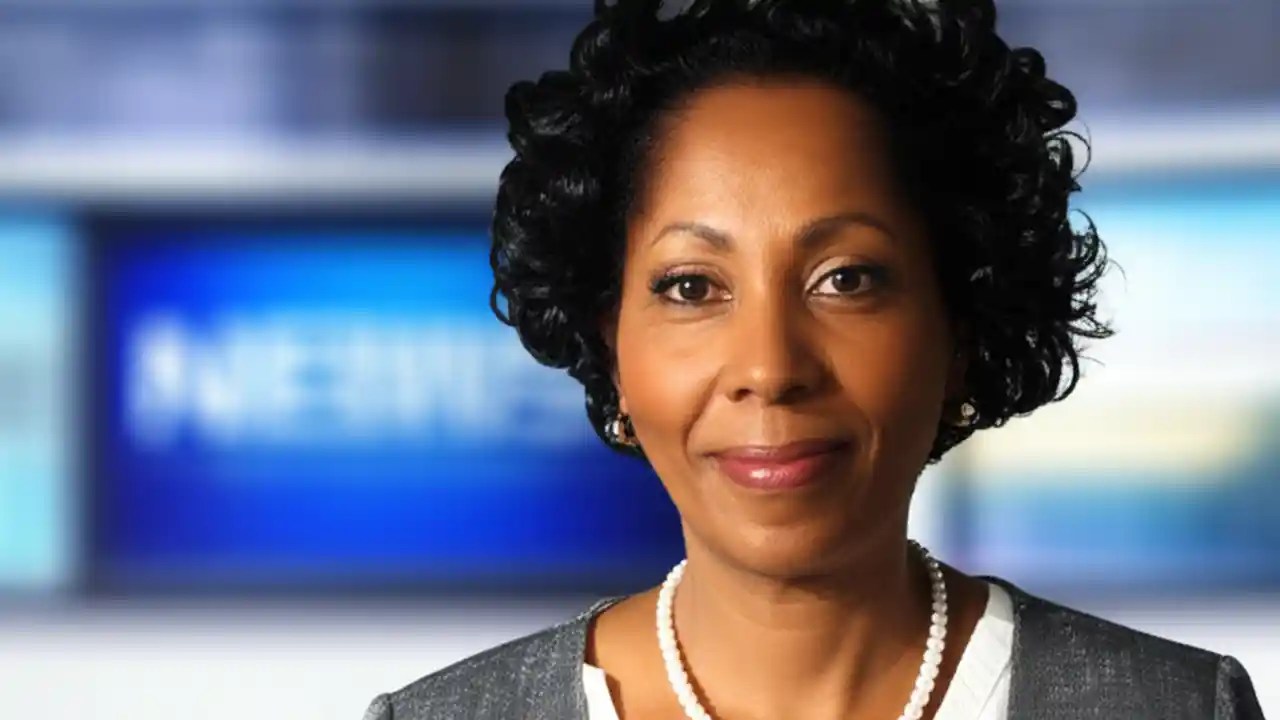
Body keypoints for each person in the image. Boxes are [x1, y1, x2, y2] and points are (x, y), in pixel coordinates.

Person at [363, 0, 1266, 718]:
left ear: (959, 328)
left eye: (845, 279)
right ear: (613, 346)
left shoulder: (1175, 708)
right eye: (691, 287)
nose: (770, 364)